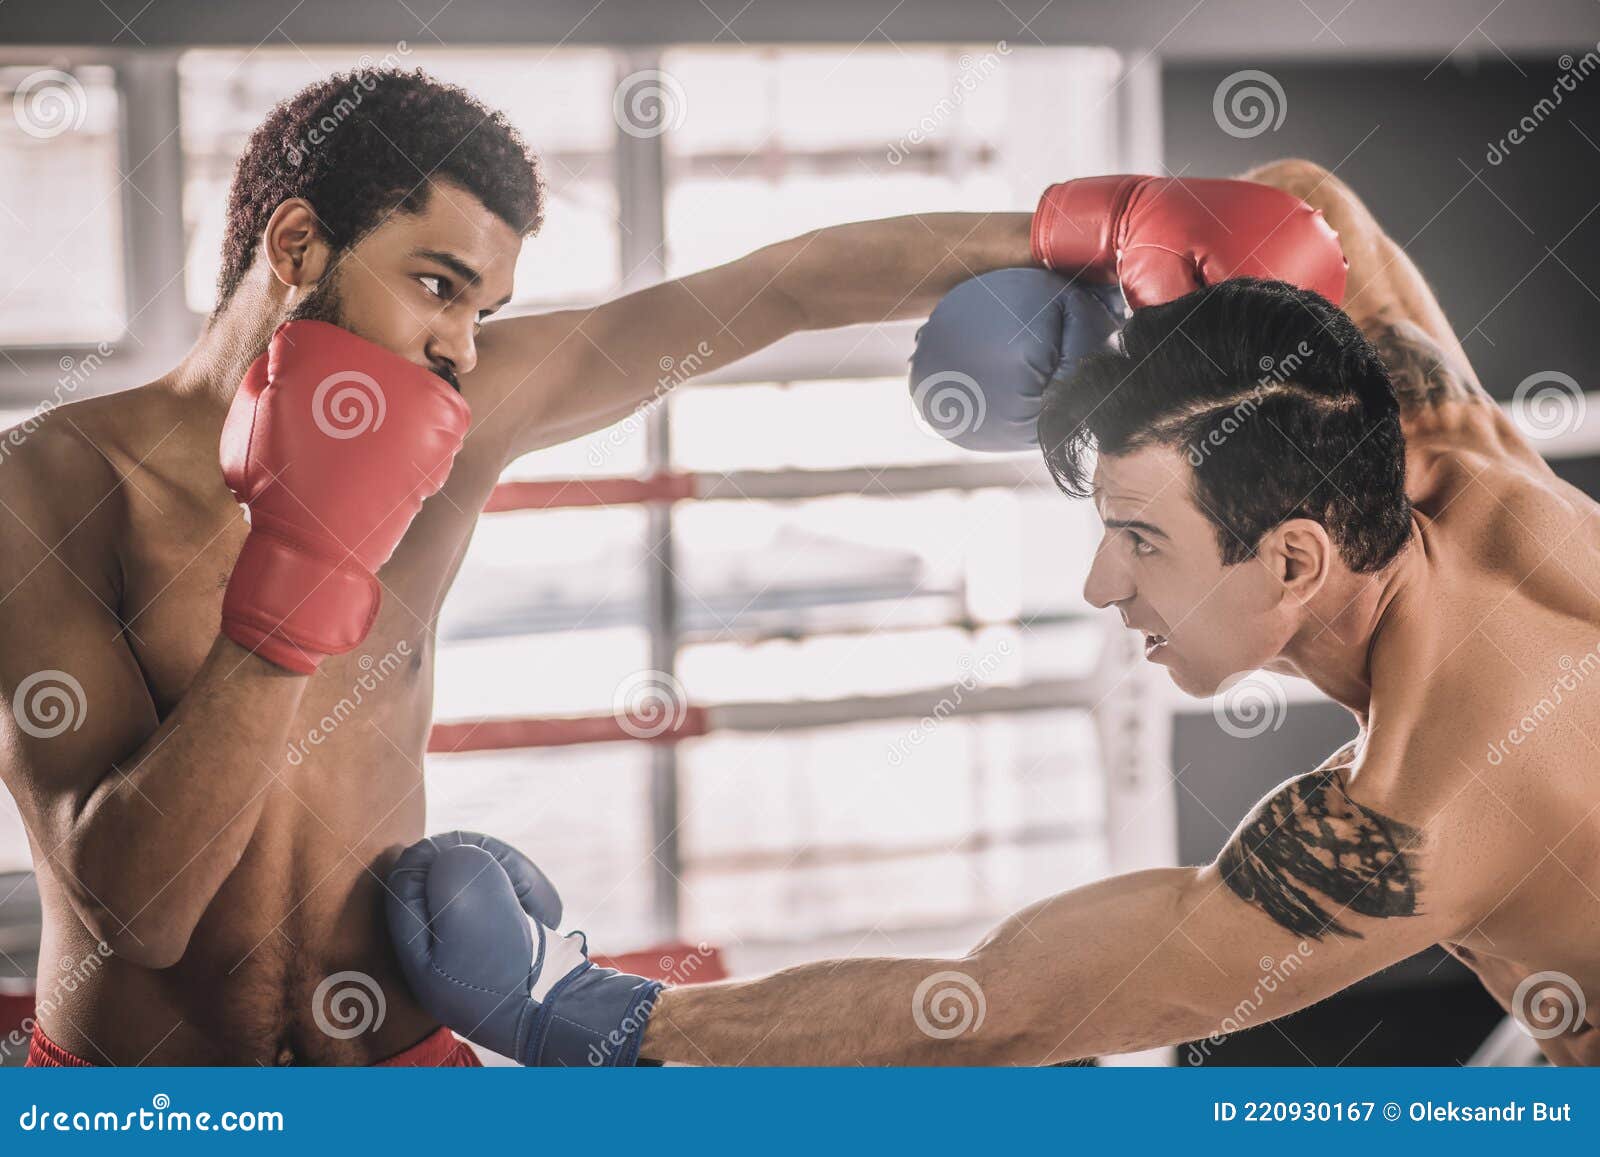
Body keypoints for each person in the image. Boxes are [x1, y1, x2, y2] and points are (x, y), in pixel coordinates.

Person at [388, 161, 1600, 1066]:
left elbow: (993, 1008)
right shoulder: (1429, 443)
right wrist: (1123, 253)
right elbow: (1302, 198)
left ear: (1292, 562)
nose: (1101, 584)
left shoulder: (1428, 811)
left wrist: (601, 1018)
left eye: (1141, 540)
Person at [0, 66, 1052, 1066]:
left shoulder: (457, 416)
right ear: (296, 245)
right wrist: (306, 560)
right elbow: (136, 907)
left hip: (405, 1070)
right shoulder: (49, 485)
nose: (460, 345)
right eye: (435, 285)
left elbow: (783, 287)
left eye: (482, 310)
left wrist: (1095, 227)